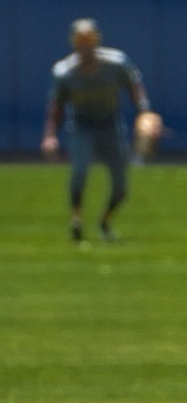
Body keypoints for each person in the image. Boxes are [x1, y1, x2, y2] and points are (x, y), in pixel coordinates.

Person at [40, 18, 156, 245]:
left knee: (121, 187)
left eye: (89, 40)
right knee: (80, 172)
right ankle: (76, 220)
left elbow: (134, 86)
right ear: (74, 43)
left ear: (97, 41)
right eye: (81, 41)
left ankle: (104, 221)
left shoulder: (116, 63)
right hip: (82, 127)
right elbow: (55, 107)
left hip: (110, 126)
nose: (85, 45)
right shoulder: (64, 72)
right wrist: (50, 136)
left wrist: (144, 111)